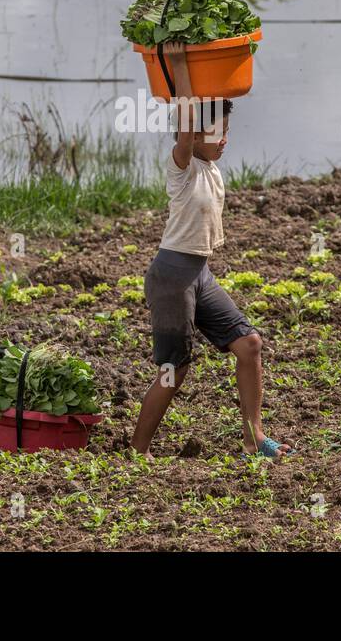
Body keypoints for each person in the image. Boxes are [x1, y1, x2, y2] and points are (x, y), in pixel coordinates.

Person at [131, 41, 291, 458]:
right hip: (171, 277)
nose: (223, 140)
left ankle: (255, 439)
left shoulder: (212, 170)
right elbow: (185, 118)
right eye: (215, 132)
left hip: (198, 275)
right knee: (174, 370)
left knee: (249, 345)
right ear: (194, 135)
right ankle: (138, 450)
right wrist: (181, 64)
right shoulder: (182, 166)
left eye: (227, 131)